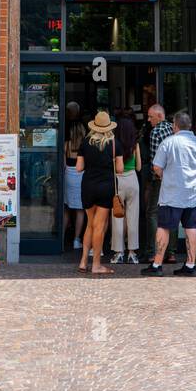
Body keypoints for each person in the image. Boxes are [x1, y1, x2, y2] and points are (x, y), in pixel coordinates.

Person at [142, 110, 196, 277]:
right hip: (193, 194)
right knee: (191, 228)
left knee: (163, 227)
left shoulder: (168, 142)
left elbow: (157, 167)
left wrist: (167, 176)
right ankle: (191, 264)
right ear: (190, 126)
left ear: (174, 126)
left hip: (171, 194)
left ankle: (157, 264)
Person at [76, 111, 123, 276]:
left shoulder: (85, 142)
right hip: (106, 187)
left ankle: (83, 261)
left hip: (88, 186)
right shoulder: (115, 143)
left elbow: (79, 168)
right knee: (99, 226)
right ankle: (96, 265)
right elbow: (120, 169)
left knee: (90, 224)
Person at [143, 103, 176, 264]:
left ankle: (154, 251)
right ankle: (171, 252)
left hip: (161, 179)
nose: (148, 120)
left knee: (153, 213)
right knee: (172, 212)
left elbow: (155, 161)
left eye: (151, 116)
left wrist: (153, 180)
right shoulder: (174, 129)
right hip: (176, 179)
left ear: (160, 116)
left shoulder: (155, 132)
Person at [110, 109, 141, 264]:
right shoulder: (134, 145)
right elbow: (139, 167)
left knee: (117, 217)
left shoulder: (114, 145)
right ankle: (132, 253)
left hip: (118, 181)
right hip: (132, 180)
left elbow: (113, 166)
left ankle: (118, 252)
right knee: (133, 217)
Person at [63, 101, 86, 253]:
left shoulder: (67, 145)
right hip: (80, 176)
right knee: (80, 210)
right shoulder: (84, 146)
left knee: (66, 208)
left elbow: (63, 164)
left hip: (68, 176)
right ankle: (77, 239)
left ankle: (62, 237)